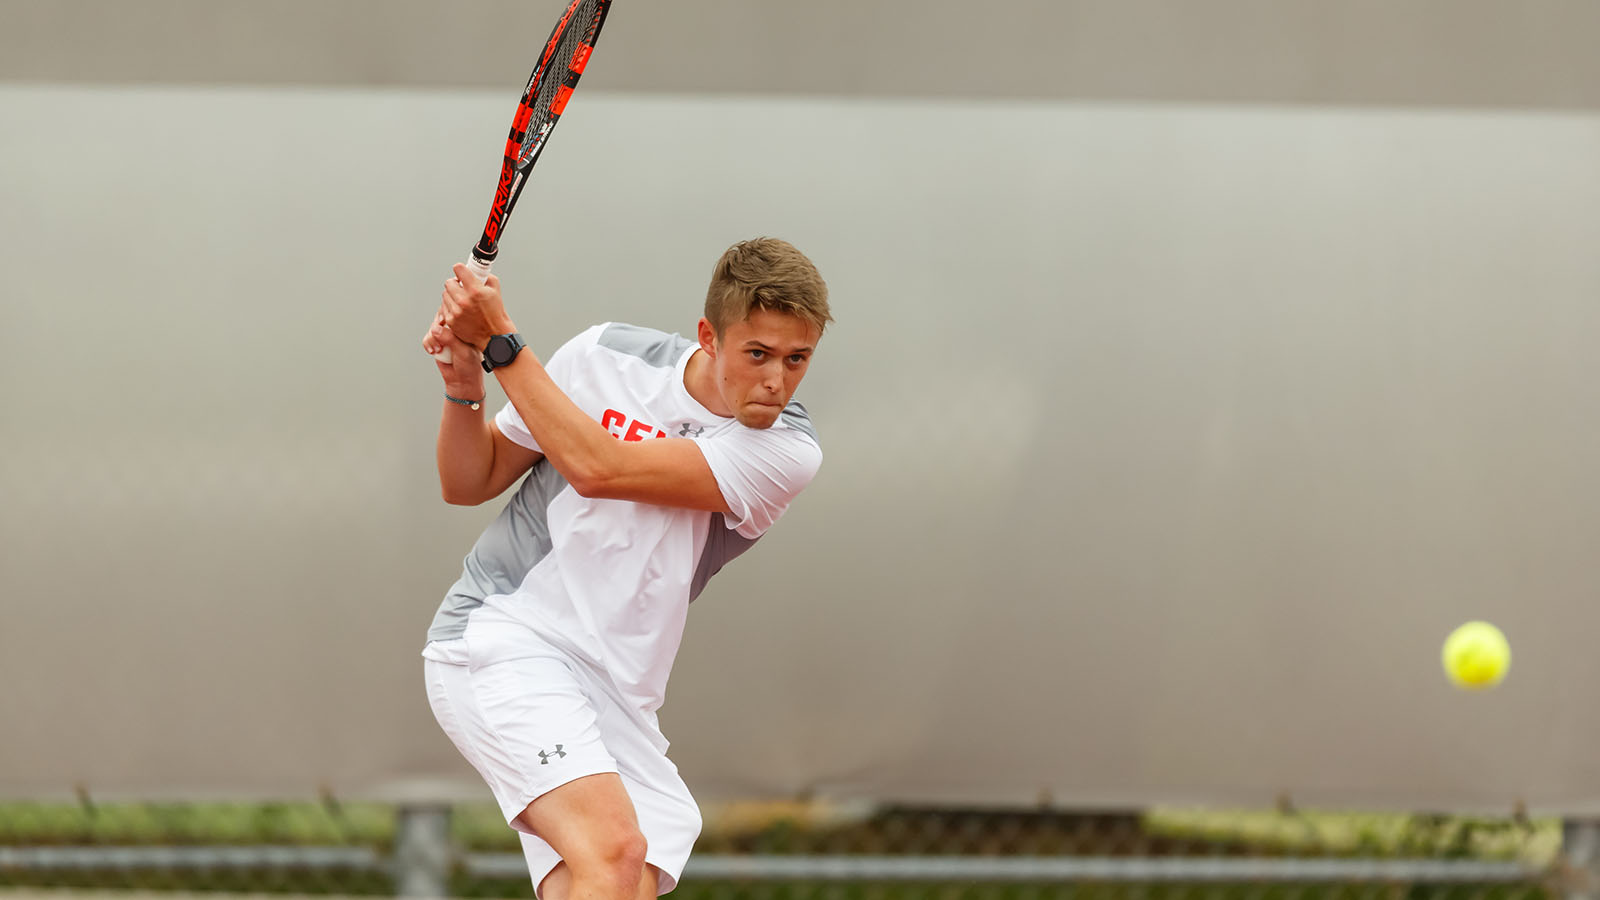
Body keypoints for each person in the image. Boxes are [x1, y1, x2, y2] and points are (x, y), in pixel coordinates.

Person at [418, 238, 831, 900]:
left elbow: (601, 468)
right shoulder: (603, 355)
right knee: (614, 851)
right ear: (709, 336)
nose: (775, 380)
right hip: (505, 640)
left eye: (796, 359)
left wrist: (499, 344)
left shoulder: (785, 451)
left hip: (616, 695)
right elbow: (470, 479)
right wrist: (464, 385)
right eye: (757, 354)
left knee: (623, 877)